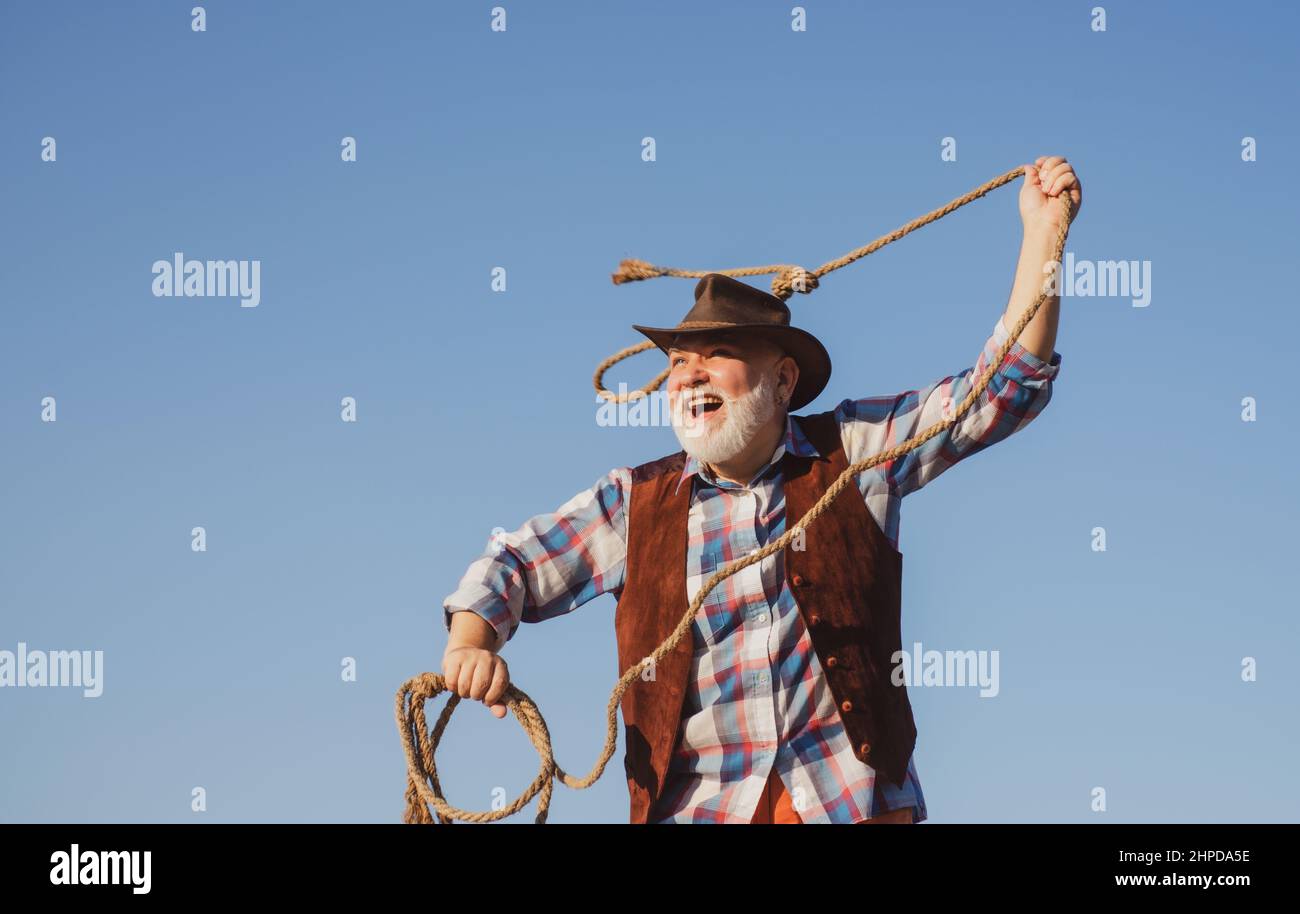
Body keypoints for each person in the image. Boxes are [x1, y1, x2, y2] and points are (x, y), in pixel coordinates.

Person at [441, 156, 1081, 824]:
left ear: (782, 380)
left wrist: (1044, 235)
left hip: (851, 808)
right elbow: (512, 563)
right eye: (679, 361)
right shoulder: (634, 504)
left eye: (716, 355)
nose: (688, 376)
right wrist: (469, 645)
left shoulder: (853, 452)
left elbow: (999, 393)